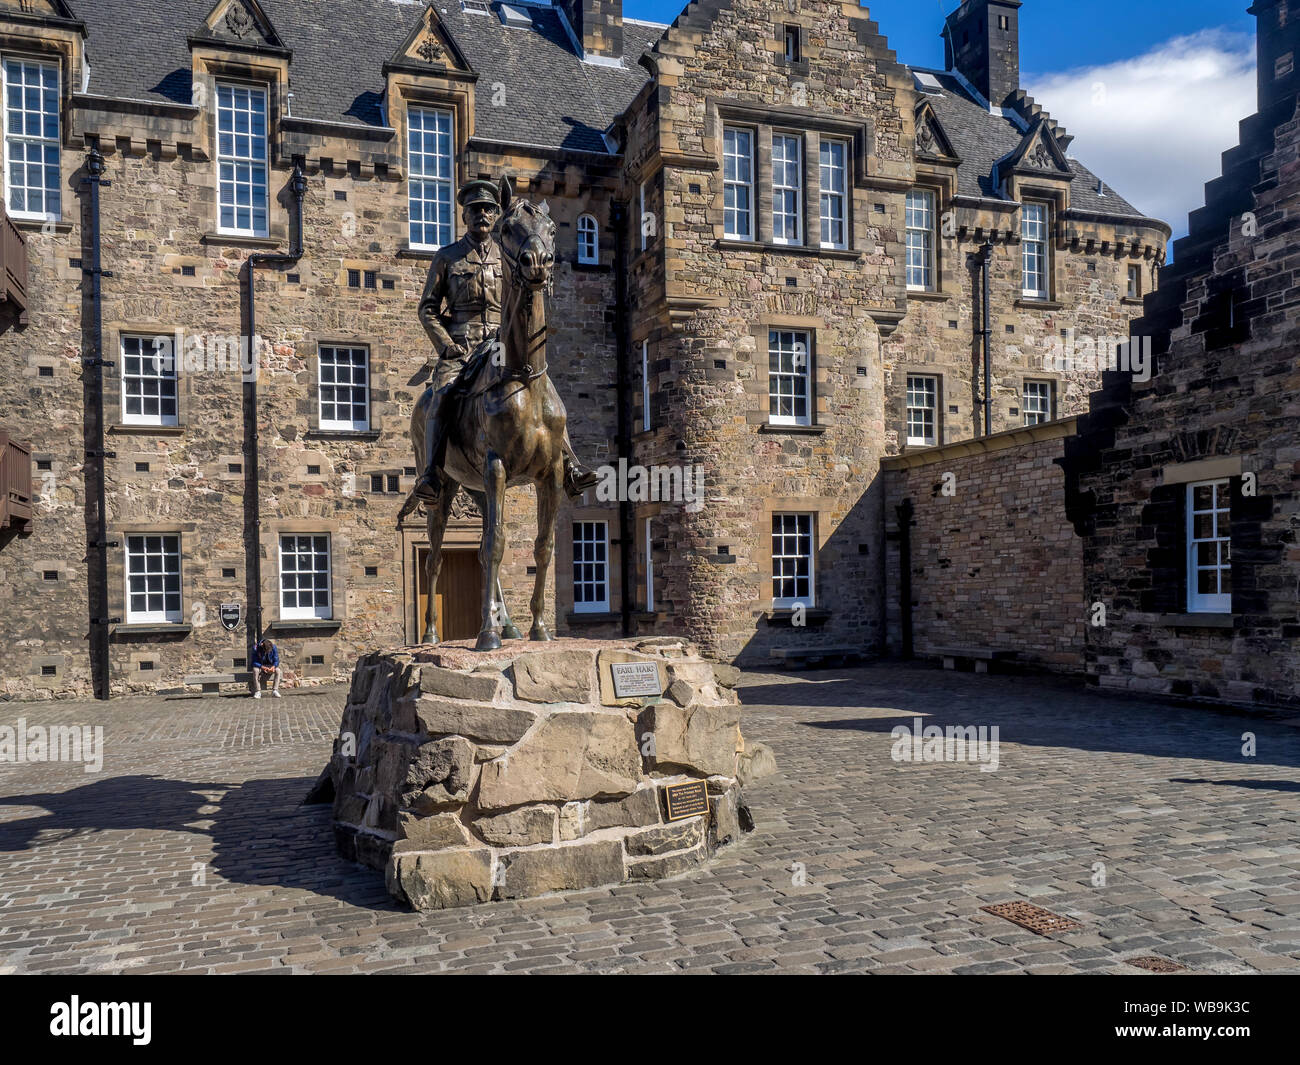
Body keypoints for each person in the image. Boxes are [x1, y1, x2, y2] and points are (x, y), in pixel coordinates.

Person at [413, 178, 597, 506]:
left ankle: (568, 463)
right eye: (474, 210)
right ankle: (431, 473)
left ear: (496, 214)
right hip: (460, 346)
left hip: (498, 345)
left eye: (488, 209)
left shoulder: (508, 254)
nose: (482, 215)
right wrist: (444, 344)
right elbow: (427, 309)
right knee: (440, 394)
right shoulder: (447, 257)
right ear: (465, 216)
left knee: (542, 386)